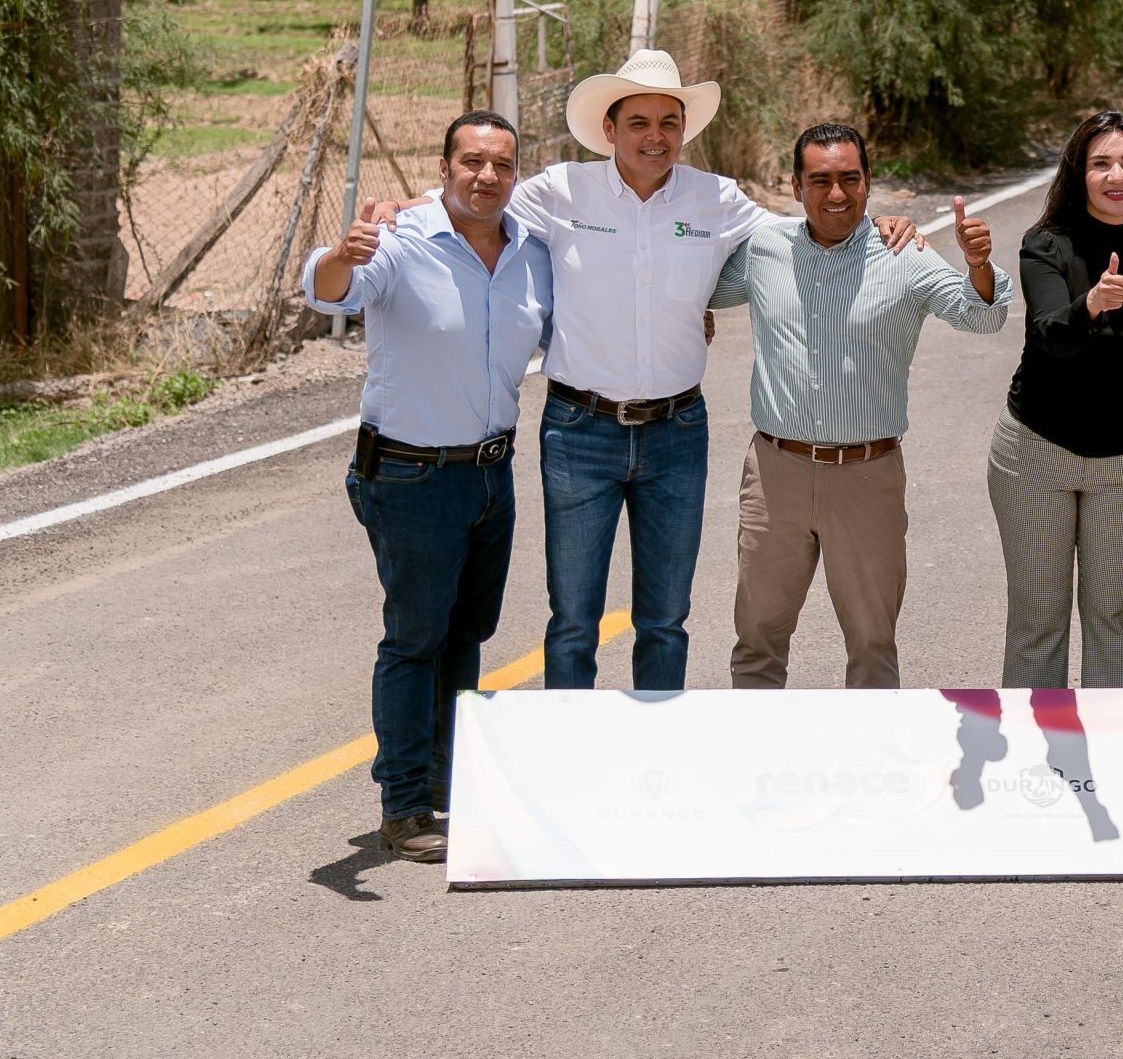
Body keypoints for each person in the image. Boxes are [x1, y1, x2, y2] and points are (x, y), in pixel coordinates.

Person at [355, 49, 918, 693]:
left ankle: (659, 769)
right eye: (640, 122)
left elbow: (810, 231)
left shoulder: (716, 200)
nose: (656, 136)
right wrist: (407, 205)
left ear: (684, 130)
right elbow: (476, 197)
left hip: (677, 432)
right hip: (578, 431)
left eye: (668, 123)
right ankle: (573, 768)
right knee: (573, 620)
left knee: (665, 619)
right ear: (609, 131)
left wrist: (881, 226)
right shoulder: (559, 191)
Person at [304, 111, 553, 863]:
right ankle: (405, 801)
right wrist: (341, 255)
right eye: (472, 162)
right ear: (443, 169)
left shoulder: (529, 254)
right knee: (414, 638)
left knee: (466, 633)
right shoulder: (401, 242)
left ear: (516, 174)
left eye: (502, 165)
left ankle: (450, 781)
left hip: (490, 474)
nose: (487, 176)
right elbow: (330, 291)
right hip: (410, 473)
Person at [710, 121, 1009, 689]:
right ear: (796, 187)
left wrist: (978, 264)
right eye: (819, 180)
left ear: (870, 182)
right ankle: (751, 764)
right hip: (776, 473)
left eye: (850, 178)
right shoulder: (764, 249)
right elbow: (683, 287)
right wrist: (691, 310)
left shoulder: (906, 254)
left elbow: (984, 314)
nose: (836, 194)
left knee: (872, 645)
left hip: (867, 476)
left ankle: (876, 771)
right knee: (756, 640)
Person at [987, 111, 1123, 688]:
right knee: (1038, 617)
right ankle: (1035, 759)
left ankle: (1107, 755)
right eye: (1100, 163)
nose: (1116, 175)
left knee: (1112, 617)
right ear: (1079, 175)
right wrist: (1093, 303)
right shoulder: (1045, 244)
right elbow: (1051, 335)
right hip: (1036, 453)